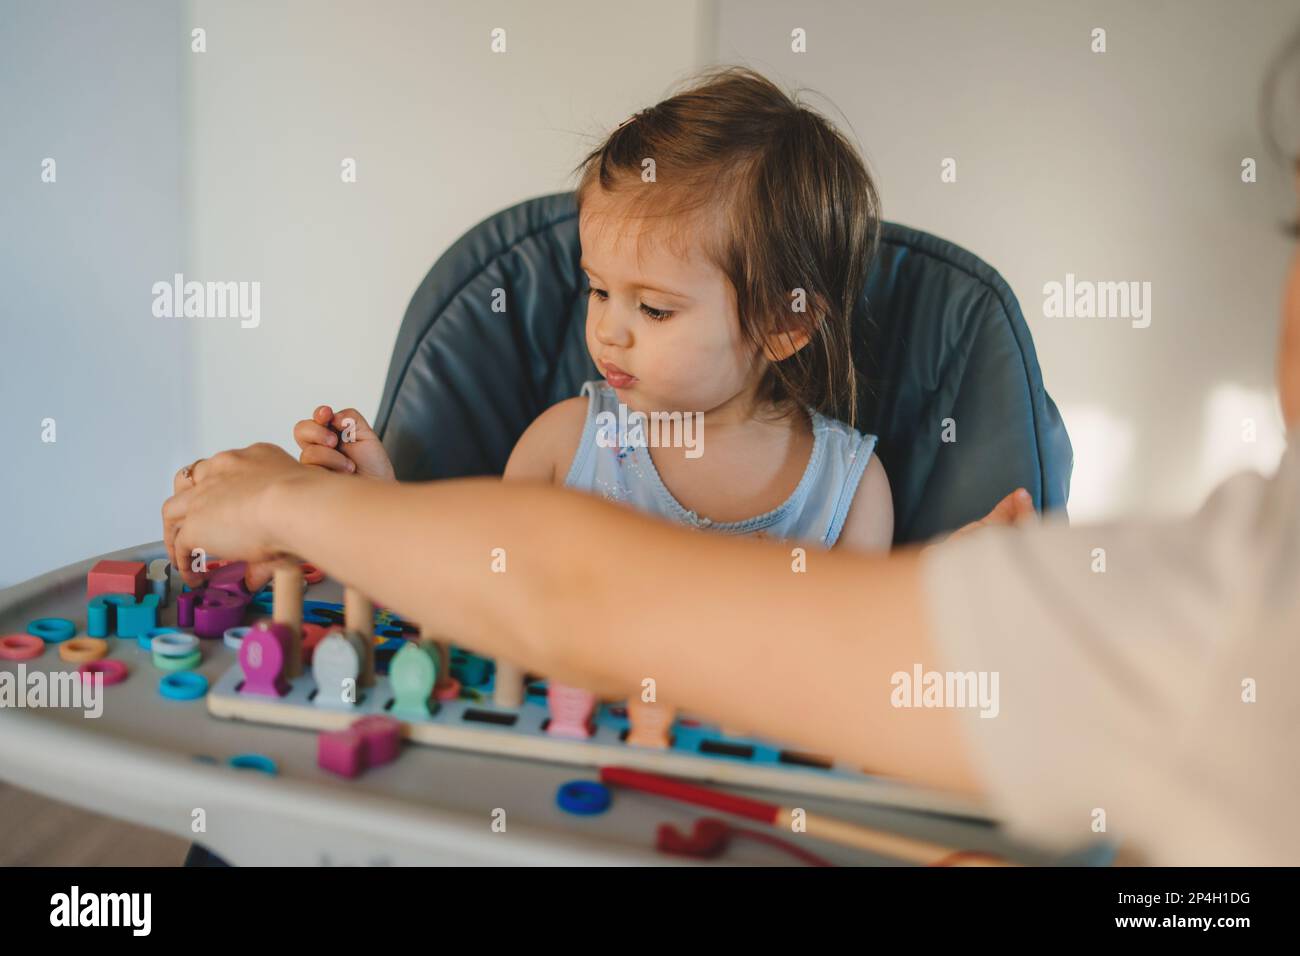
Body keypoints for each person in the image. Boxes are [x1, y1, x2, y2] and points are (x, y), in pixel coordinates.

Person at [160, 76, 1300, 871]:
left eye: (651, 308)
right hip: (530, 793)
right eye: (595, 290)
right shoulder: (571, 436)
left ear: (785, 326)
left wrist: (949, 578)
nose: (605, 330)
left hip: (744, 817)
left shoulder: (851, 485)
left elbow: (855, 696)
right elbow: (479, 592)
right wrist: (377, 502)